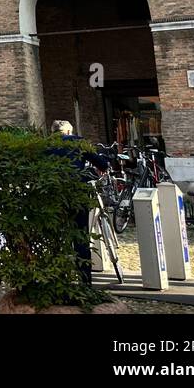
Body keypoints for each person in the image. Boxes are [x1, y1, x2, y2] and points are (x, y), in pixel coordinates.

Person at [46, 120, 110, 285]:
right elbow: (101, 164)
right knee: (80, 235)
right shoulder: (77, 141)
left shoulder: (45, 145)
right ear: (68, 132)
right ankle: (85, 281)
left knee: (55, 236)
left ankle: (57, 277)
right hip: (76, 193)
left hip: (53, 194)